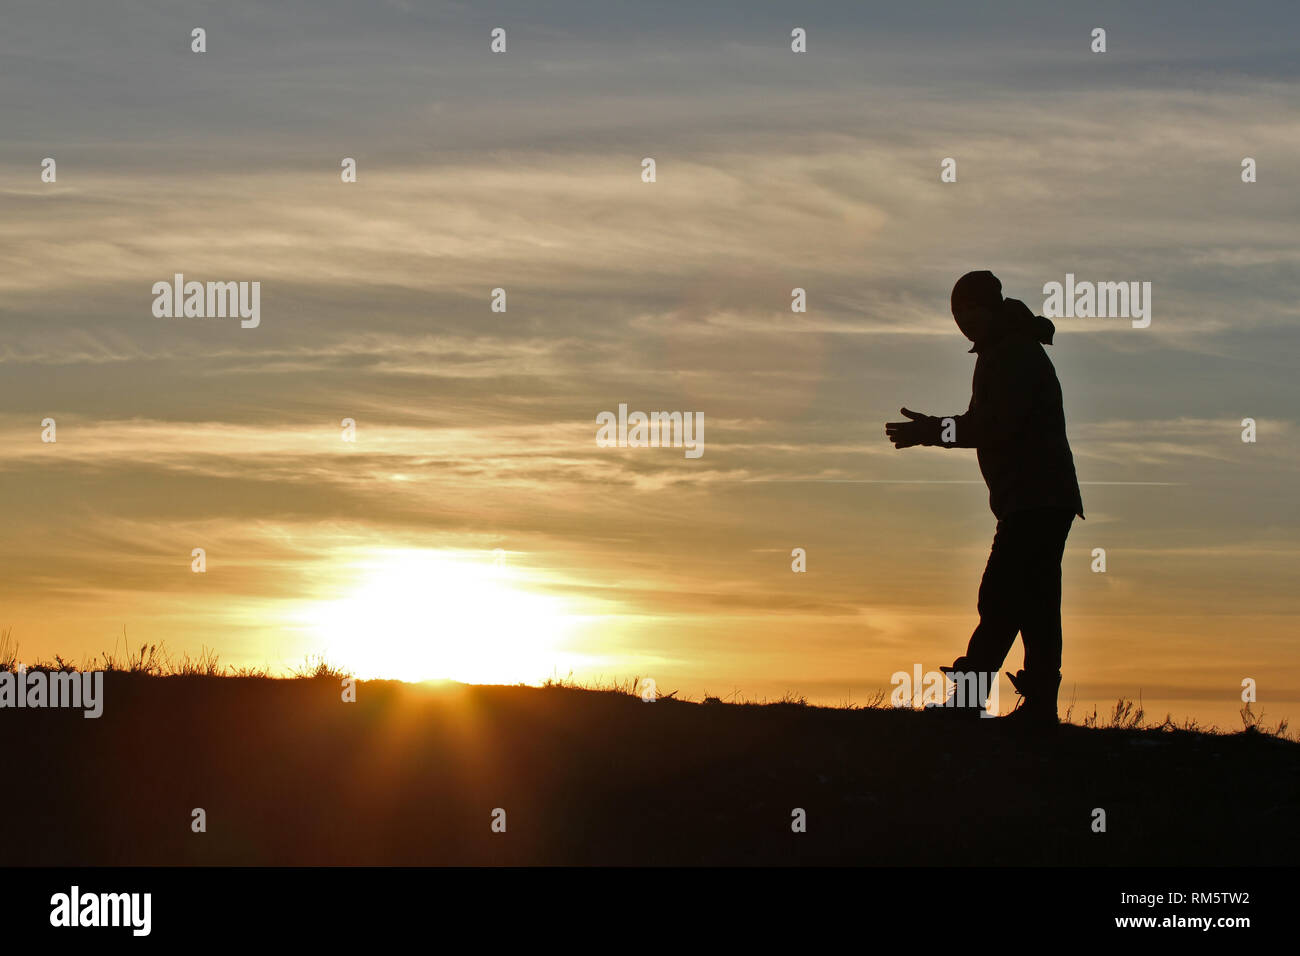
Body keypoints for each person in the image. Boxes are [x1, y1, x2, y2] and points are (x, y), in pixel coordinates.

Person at [885, 271, 1084, 729]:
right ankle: (1037, 707)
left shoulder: (1011, 353)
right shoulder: (1008, 348)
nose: (960, 324)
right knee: (1034, 603)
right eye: (955, 316)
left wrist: (930, 432)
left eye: (964, 313)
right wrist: (936, 429)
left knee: (1001, 596)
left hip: (1034, 498)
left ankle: (971, 699)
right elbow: (988, 422)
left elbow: (993, 425)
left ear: (984, 308)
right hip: (1039, 497)